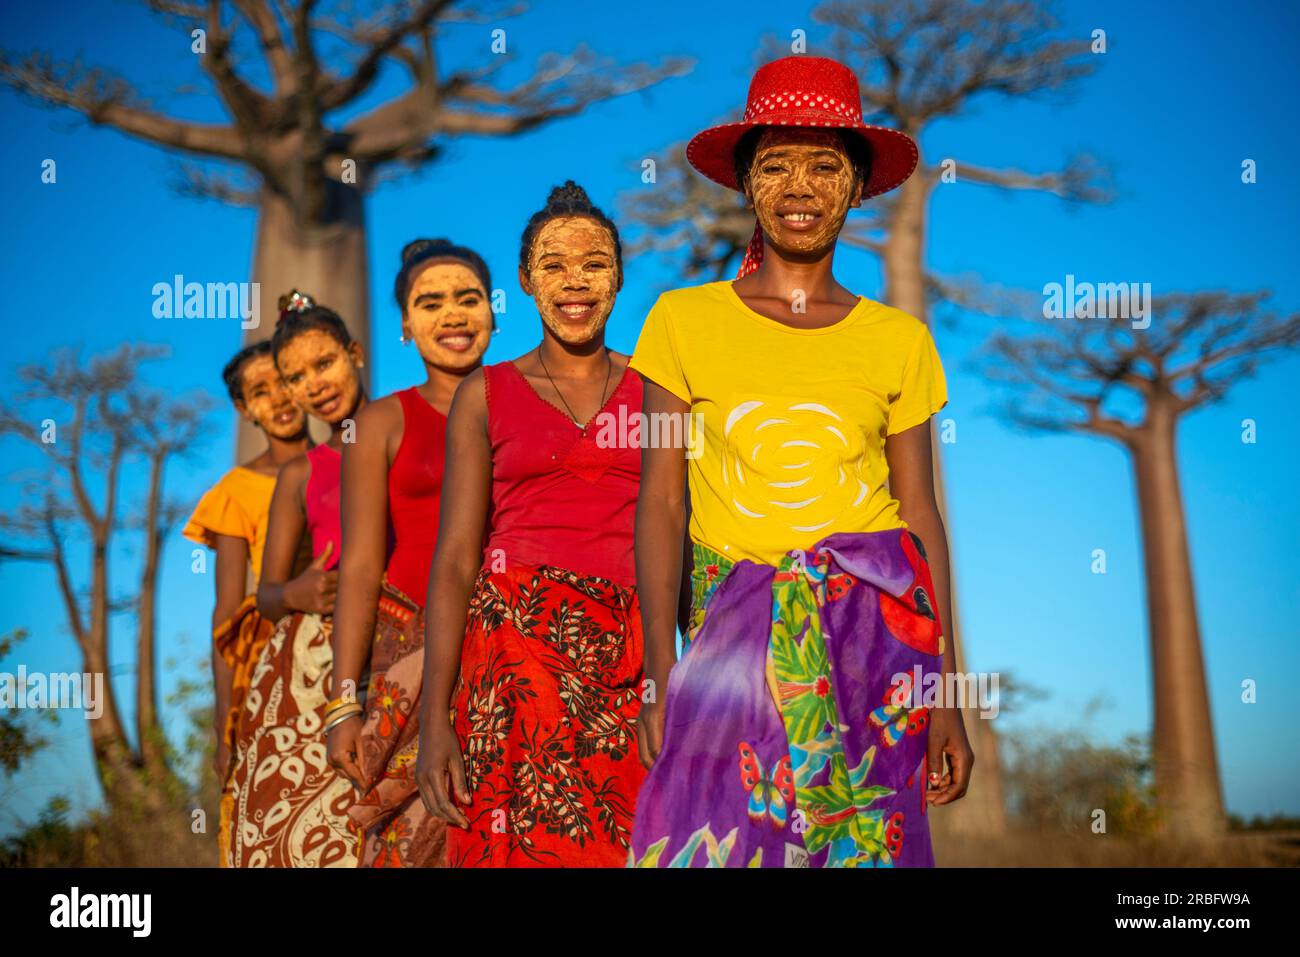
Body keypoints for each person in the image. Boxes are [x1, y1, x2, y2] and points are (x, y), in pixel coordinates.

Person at [627, 55, 972, 868]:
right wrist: (656, 667)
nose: (800, 186)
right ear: (746, 184)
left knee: (862, 850)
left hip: (875, 641)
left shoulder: (899, 340)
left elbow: (919, 515)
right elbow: (662, 504)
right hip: (726, 624)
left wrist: (945, 689)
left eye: (825, 166)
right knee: (708, 842)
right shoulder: (684, 320)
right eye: (775, 164)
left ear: (857, 189)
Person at [416, 182, 646, 867]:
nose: (575, 281)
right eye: (553, 264)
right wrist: (436, 720)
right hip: (509, 664)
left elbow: (678, 534)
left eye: (594, 263)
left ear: (619, 276)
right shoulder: (485, 394)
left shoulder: (659, 388)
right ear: (524, 281)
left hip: (627, 667)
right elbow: (456, 558)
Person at [325, 239, 494, 868]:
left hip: (507, 649)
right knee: (413, 836)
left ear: (494, 313)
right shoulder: (380, 422)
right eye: (431, 303)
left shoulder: (522, 404)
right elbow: (361, 569)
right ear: (404, 326)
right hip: (408, 658)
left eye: (467, 298)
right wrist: (346, 701)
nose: (452, 315)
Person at [225, 290, 367, 867]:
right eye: (294, 376)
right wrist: (297, 593)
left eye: (324, 364)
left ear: (354, 354)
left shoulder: (404, 427)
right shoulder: (301, 474)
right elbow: (265, 595)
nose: (313, 385)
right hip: (315, 665)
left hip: (409, 642)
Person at [183, 340, 311, 866]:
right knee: (278, 812)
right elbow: (227, 611)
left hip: (360, 649)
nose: (279, 399)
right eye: (260, 392)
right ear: (243, 408)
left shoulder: (354, 456)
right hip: (274, 672)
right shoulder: (235, 490)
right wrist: (223, 719)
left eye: (285, 382)